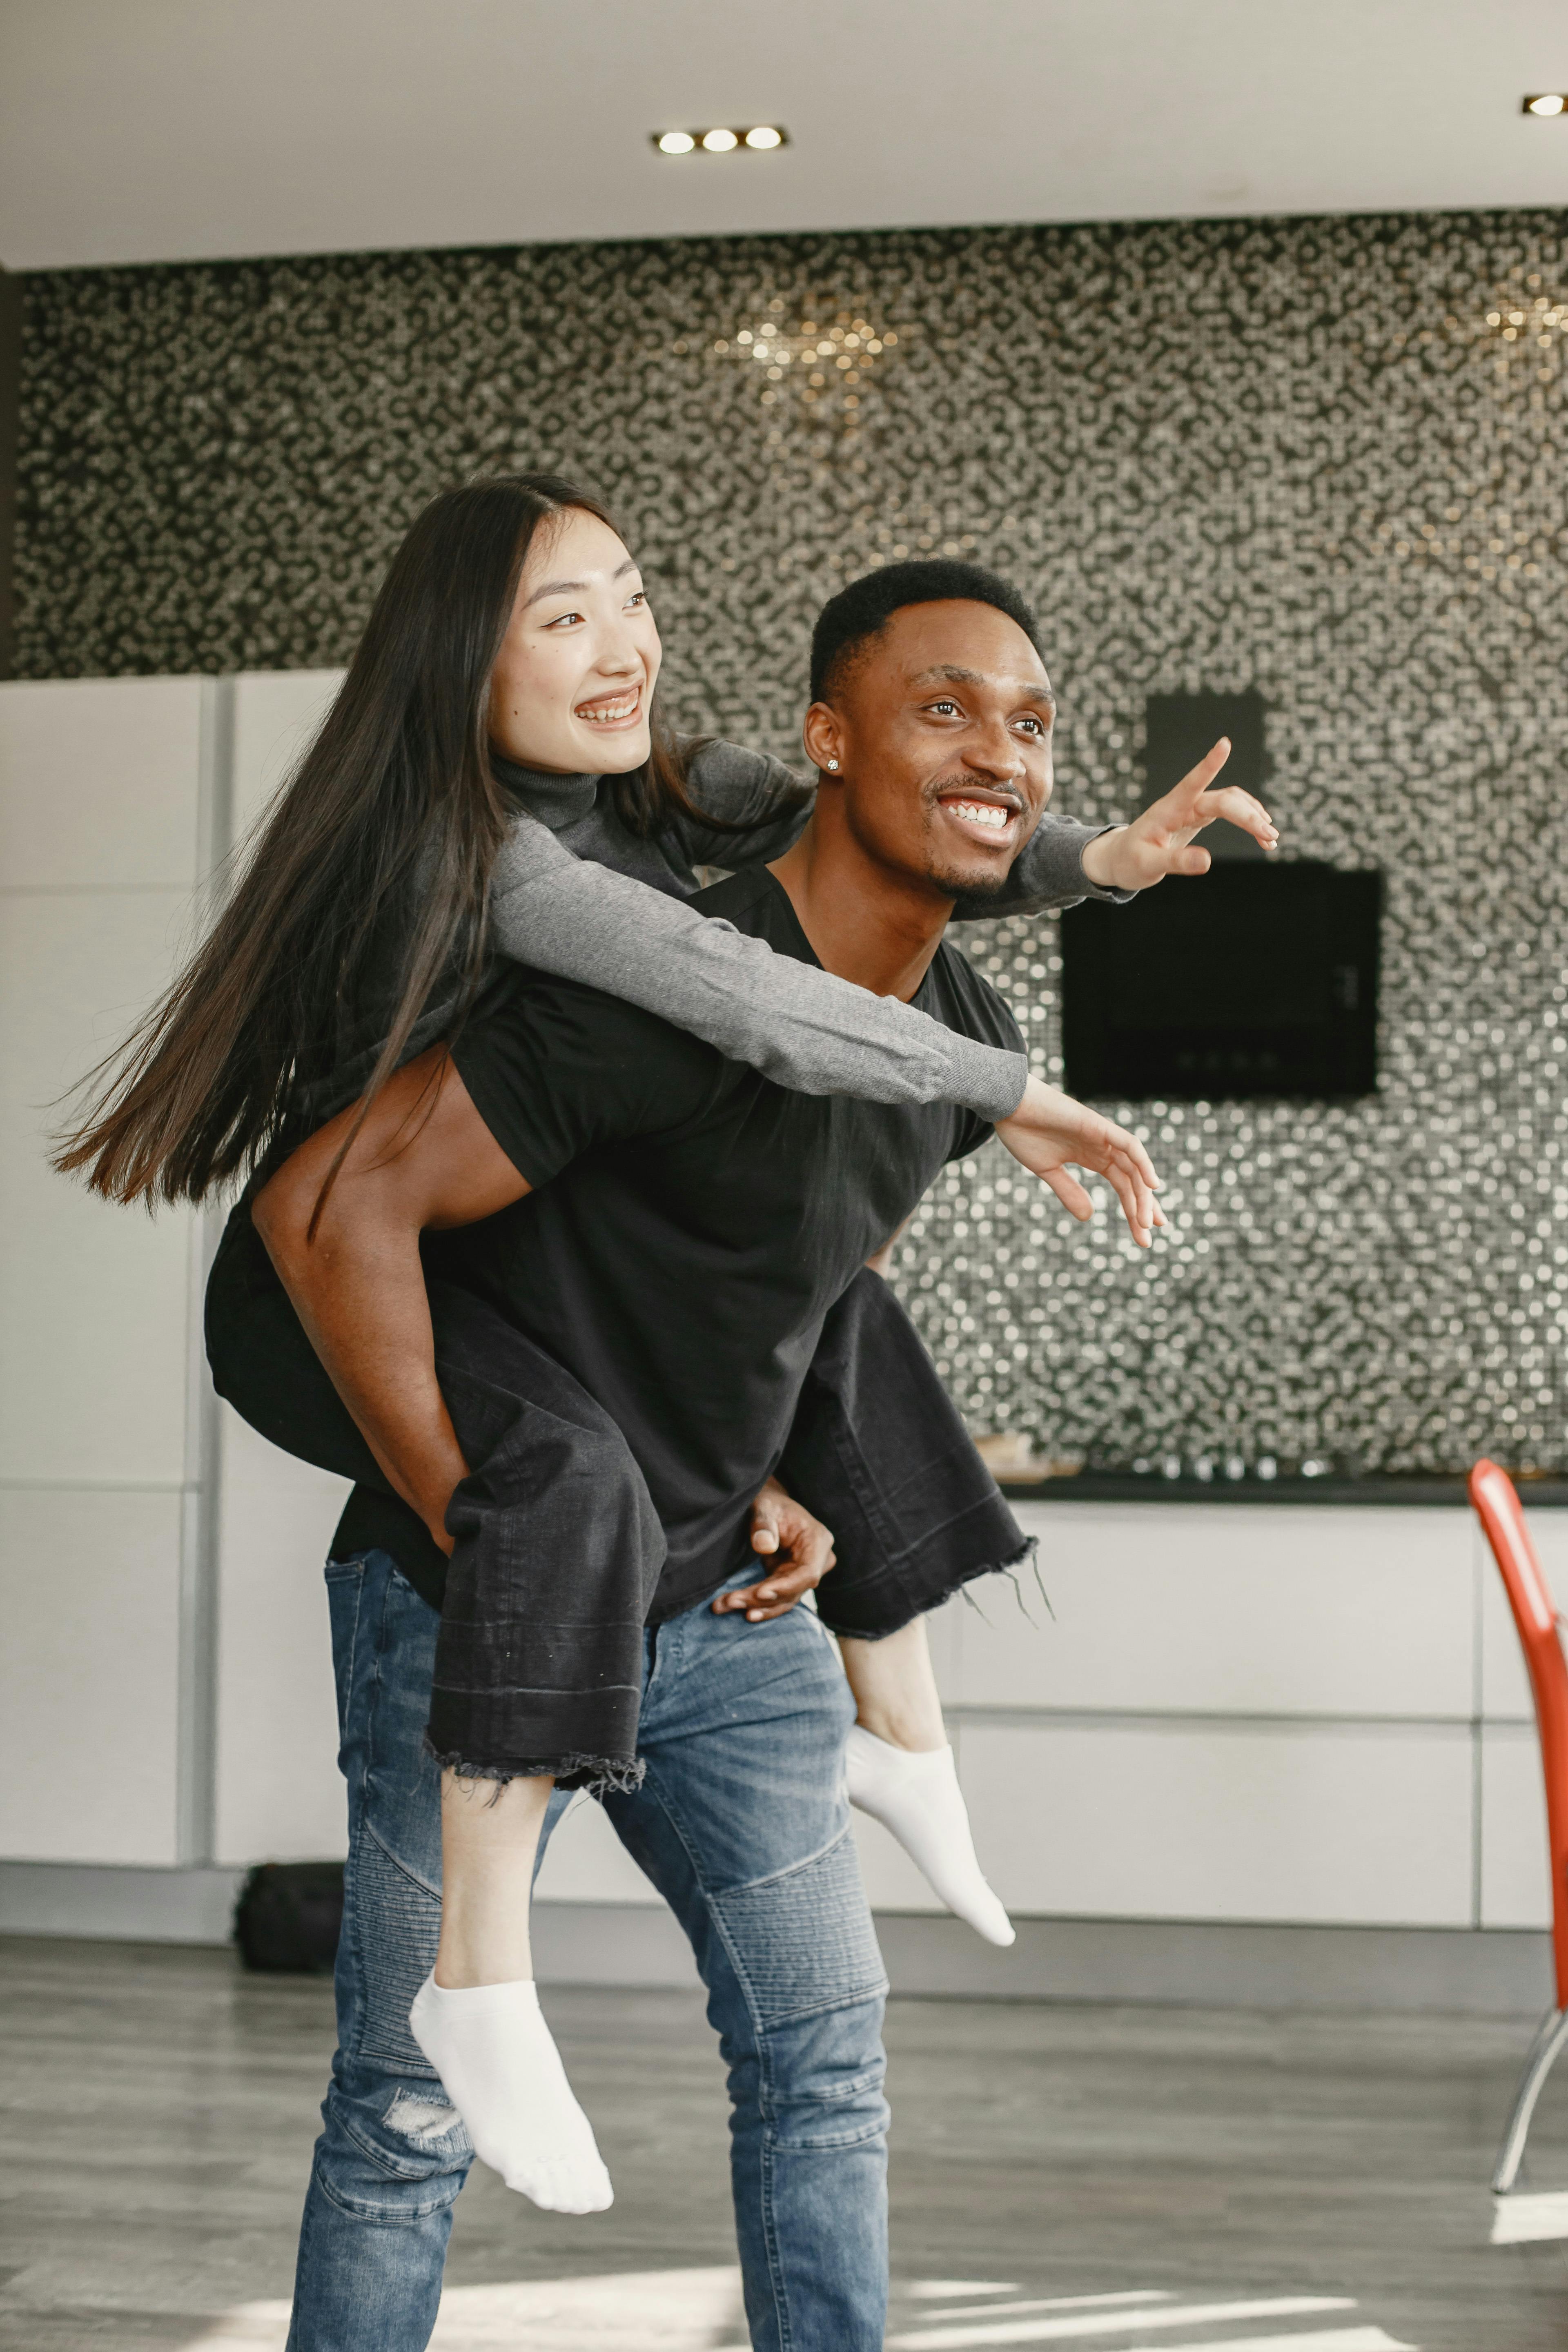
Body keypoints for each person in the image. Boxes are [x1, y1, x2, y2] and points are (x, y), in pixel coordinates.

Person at [245, 561, 1270, 2350]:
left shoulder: (967, 1035)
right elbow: (340, 1208)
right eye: (941, 708)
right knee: (407, 2113)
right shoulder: (628, 978)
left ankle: (904, 1728)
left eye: (1031, 725)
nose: (1003, 755)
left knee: (823, 2070)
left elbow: (810, 1264)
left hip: (729, 1603)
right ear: (825, 742)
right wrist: (471, 1522)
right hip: (479, 1591)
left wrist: (778, 1454)